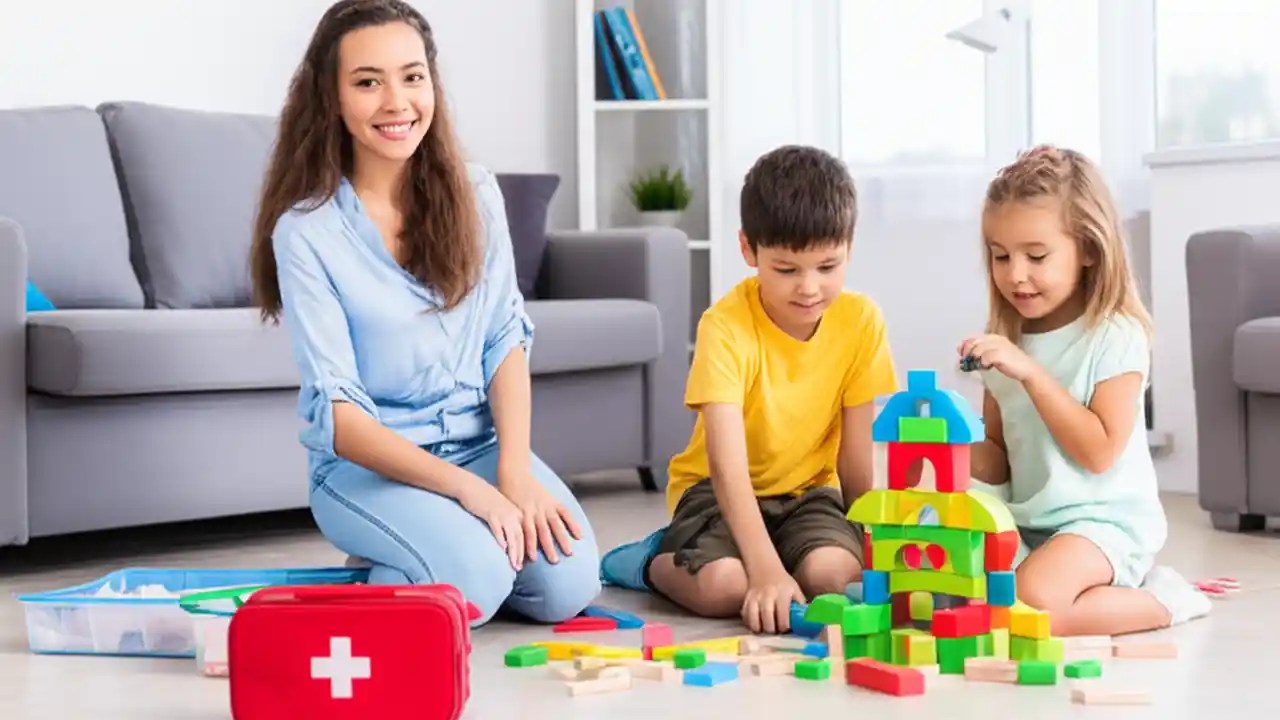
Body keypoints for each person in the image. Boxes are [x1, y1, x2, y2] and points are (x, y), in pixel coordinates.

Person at [249, 0, 600, 626]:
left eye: (412, 76)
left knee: (567, 585)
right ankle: (415, 561)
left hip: (480, 447)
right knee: (481, 576)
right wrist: (470, 494)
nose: (396, 101)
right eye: (367, 81)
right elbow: (344, 419)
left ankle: (412, 564)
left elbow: (503, 339)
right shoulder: (306, 233)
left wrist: (511, 474)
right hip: (366, 471)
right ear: (331, 98)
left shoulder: (477, 193)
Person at [600, 145, 899, 634]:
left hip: (807, 493)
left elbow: (854, 455)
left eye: (828, 267)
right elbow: (726, 465)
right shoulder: (725, 326)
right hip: (716, 493)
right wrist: (764, 572)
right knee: (728, 589)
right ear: (748, 249)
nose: (809, 288)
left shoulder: (861, 321)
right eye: (786, 269)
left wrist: (871, 542)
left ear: (850, 245)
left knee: (836, 576)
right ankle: (649, 560)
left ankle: (781, 552)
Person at [959, 144, 1209, 636]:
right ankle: (1089, 591)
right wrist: (944, 455)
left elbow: (1098, 452)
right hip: (1031, 521)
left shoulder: (1115, 336)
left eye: (1036, 256)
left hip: (1104, 523)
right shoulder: (1006, 341)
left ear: (1089, 249)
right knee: (974, 593)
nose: (1016, 274)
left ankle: (1166, 599)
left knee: (1033, 606)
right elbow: (999, 453)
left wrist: (1030, 374)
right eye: (1001, 256)